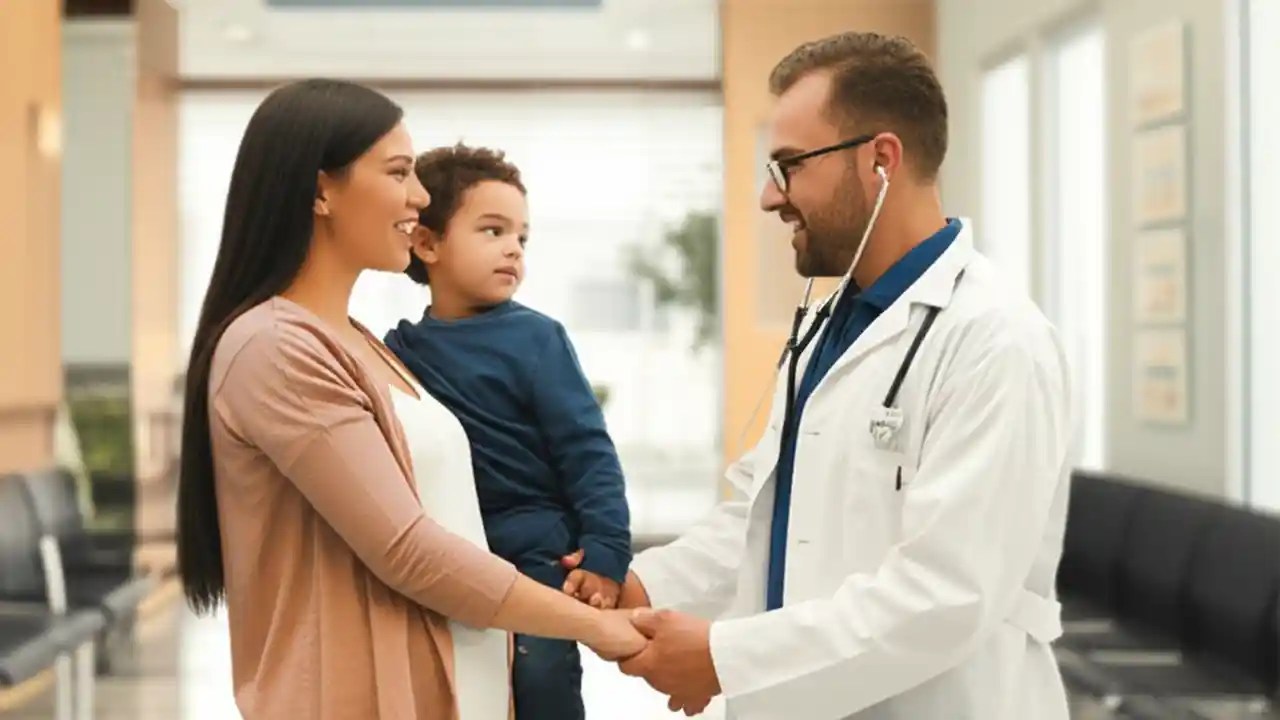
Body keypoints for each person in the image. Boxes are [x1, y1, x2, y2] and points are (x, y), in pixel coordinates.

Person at [564, 31, 1073, 720]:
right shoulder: (833, 324)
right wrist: (641, 584)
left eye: (789, 166)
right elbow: (762, 513)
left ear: (880, 160)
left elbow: (945, 595)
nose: (772, 199)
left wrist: (724, 659)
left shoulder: (995, 340)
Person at [176, 79, 644, 720]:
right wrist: (590, 625)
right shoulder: (278, 347)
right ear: (320, 191)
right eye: (398, 172)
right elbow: (407, 550)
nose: (419, 197)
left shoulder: (365, 342)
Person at [384, 143, 631, 720]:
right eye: (492, 230)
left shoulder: (538, 338)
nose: (514, 248)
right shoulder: (399, 352)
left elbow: (588, 451)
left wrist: (607, 552)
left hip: (536, 557)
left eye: (522, 236)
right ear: (427, 243)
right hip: (448, 561)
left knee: (542, 683)